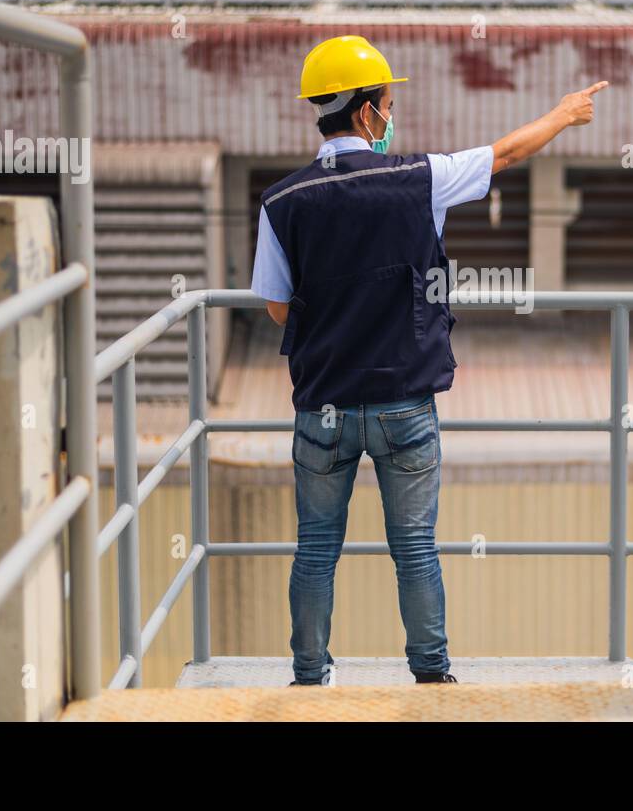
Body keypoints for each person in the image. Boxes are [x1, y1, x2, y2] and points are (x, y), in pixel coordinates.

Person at [251, 34, 607, 686]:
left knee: (315, 550)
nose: (392, 117)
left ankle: (308, 675)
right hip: (404, 404)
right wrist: (564, 114)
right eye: (387, 105)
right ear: (365, 113)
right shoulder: (419, 180)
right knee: (413, 547)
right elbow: (507, 154)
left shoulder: (282, 202)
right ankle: (432, 674)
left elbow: (276, 308)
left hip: (321, 407)